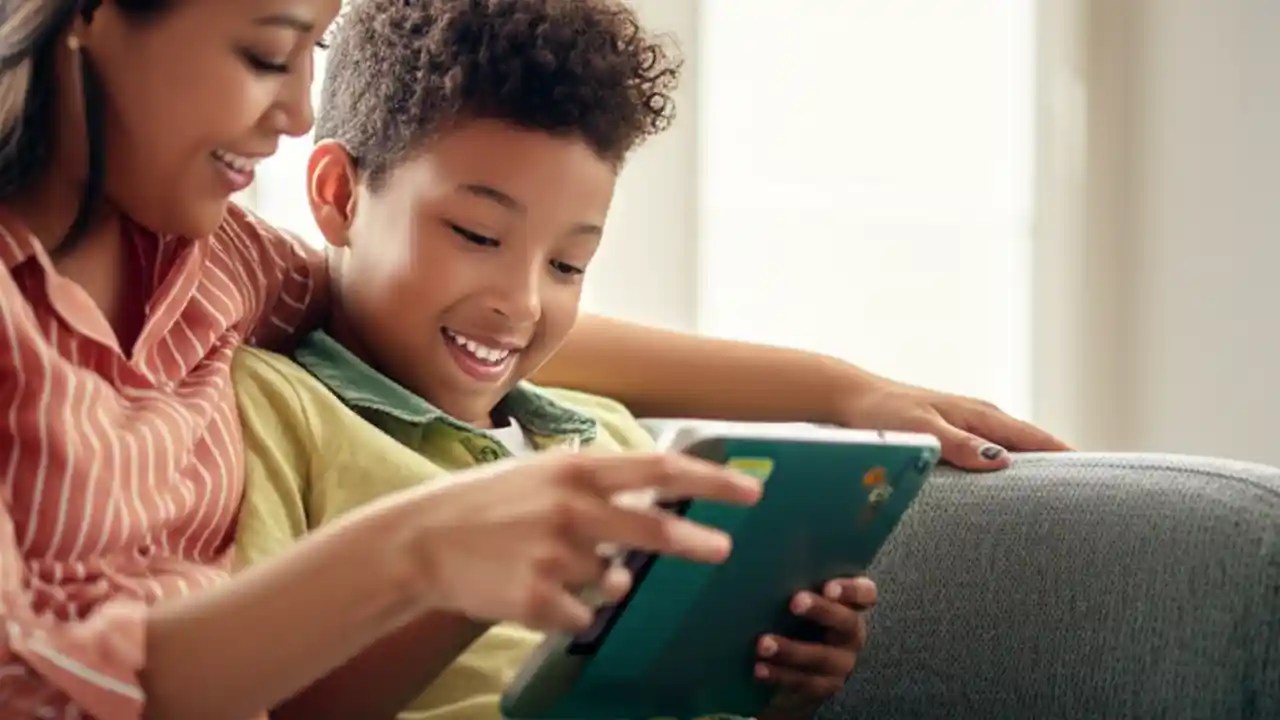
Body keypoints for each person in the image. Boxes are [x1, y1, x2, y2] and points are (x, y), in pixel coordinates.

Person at [0, 1, 1067, 718]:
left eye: (309, 60)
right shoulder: (210, 373)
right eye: (265, 51)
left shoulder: (214, 264)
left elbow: (445, 323)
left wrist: (841, 391)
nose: (291, 114)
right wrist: (427, 553)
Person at [233, 1, 875, 718]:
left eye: (568, 265)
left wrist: (777, 674)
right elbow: (252, 696)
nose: (525, 303)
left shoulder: (607, 438)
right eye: (478, 235)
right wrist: (465, 581)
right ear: (339, 194)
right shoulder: (279, 411)